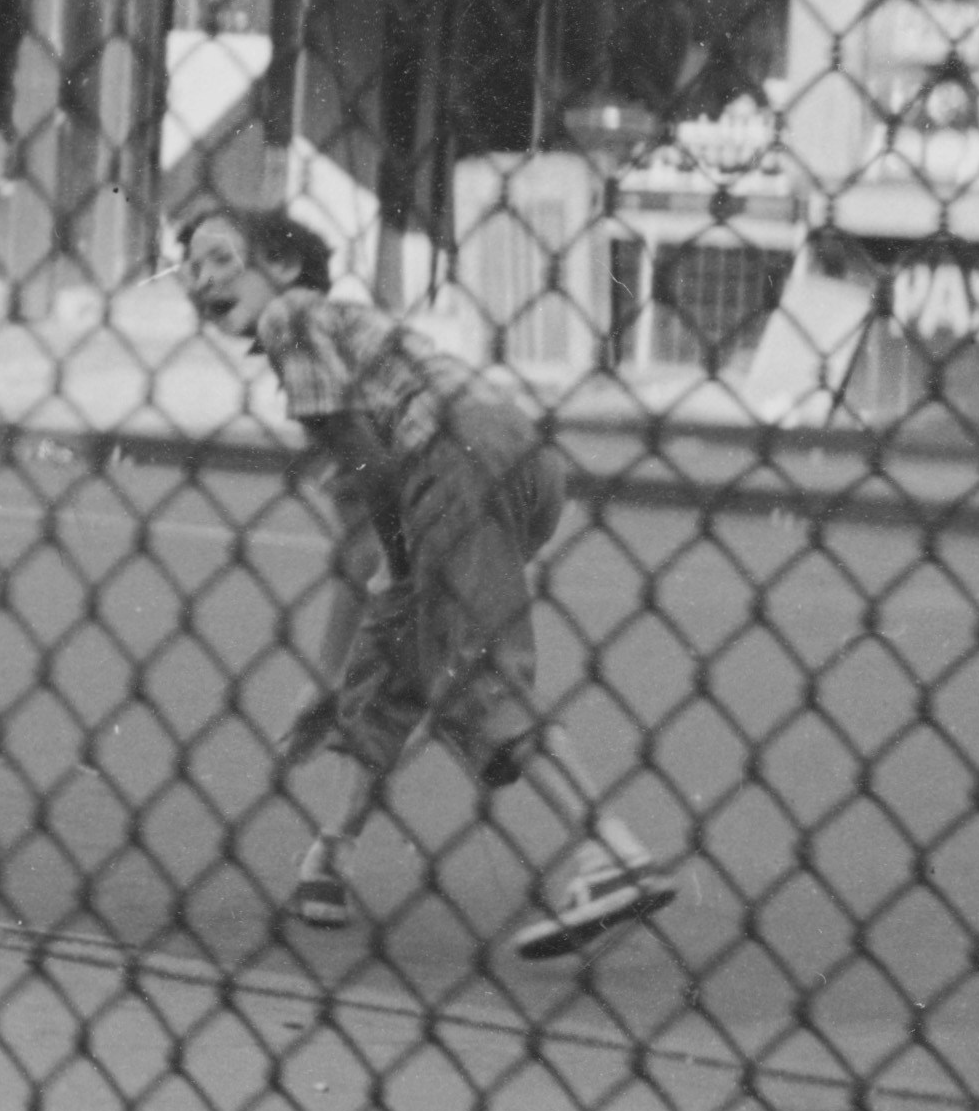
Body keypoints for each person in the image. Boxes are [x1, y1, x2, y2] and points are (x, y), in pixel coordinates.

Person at [175, 205, 678, 965]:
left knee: (470, 671)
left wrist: (379, 584)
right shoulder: (345, 327)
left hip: (447, 457)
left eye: (219, 256)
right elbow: (367, 524)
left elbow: (370, 474)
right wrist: (356, 645)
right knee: (401, 643)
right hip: (517, 459)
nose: (200, 277)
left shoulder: (290, 321)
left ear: (281, 267)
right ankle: (331, 853)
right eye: (190, 266)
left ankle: (612, 848)